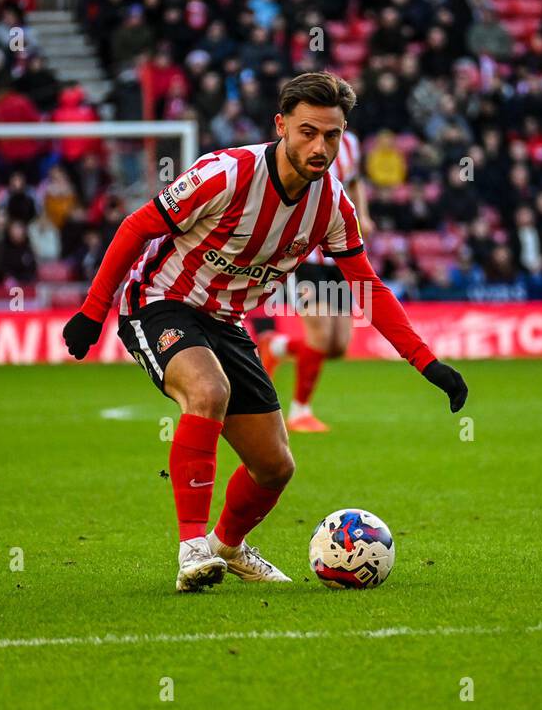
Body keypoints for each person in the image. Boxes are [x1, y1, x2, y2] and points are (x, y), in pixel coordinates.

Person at [61, 73, 467, 593]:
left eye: (332, 135)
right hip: (160, 303)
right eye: (307, 132)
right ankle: (192, 549)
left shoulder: (332, 207)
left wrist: (427, 362)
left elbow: (367, 286)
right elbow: (138, 225)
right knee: (208, 391)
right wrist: (93, 311)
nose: (320, 147)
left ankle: (227, 548)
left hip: (227, 322)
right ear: (280, 126)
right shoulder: (226, 174)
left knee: (275, 467)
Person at [256, 128, 371, 433]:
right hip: (307, 255)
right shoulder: (298, 144)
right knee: (319, 336)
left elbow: (354, 182)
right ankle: (299, 412)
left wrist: (365, 216)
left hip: (341, 255)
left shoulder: (350, 144)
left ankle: (276, 346)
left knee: (338, 346)